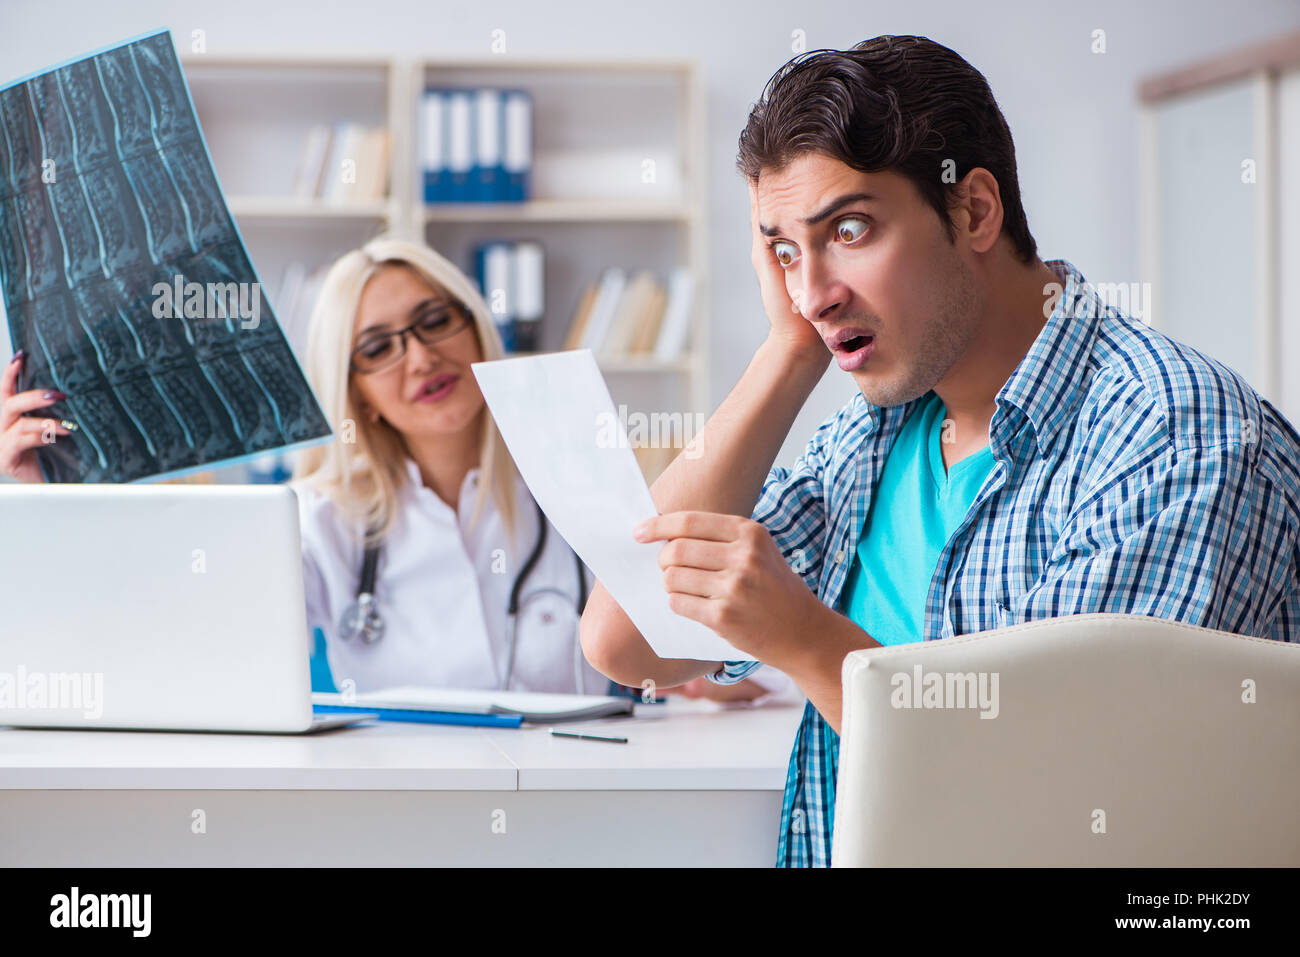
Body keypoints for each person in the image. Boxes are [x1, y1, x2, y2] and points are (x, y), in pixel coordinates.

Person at [580, 36, 1300, 867]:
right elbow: (626, 639)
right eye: (784, 252)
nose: (813, 293)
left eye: (848, 229)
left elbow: (1077, 805)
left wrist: (807, 639)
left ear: (974, 212)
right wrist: (788, 355)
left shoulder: (1172, 436)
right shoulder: (872, 432)